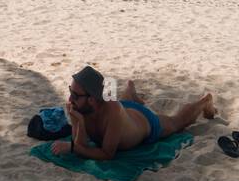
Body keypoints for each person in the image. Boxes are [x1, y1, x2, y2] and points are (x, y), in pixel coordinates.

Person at [50, 65, 216, 160]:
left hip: (145, 122)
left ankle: (204, 102)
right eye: (70, 91)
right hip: (125, 110)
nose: (70, 98)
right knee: (125, 103)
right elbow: (81, 145)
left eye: (75, 95)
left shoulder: (112, 110)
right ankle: (130, 90)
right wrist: (77, 122)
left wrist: (72, 147)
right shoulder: (79, 106)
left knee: (177, 122)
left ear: (92, 99)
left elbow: (107, 154)